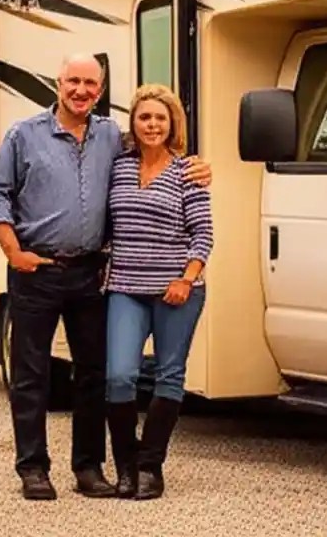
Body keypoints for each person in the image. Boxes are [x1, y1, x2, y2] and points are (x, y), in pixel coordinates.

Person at [0, 53, 212, 501]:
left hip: (90, 274)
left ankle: (88, 467)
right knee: (31, 374)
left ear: (100, 91)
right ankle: (33, 469)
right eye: (73, 81)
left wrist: (201, 166)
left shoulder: (111, 137)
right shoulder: (23, 135)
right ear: (57, 83)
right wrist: (14, 252)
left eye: (90, 83)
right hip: (37, 271)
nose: (81, 90)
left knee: (93, 374)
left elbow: (159, 148)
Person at [103, 84, 213, 500]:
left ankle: (150, 467)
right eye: (145, 117)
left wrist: (186, 278)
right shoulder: (119, 167)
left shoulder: (188, 172)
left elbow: (203, 233)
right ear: (133, 122)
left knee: (170, 374)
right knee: (119, 375)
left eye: (160, 119)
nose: (152, 125)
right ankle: (126, 466)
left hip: (177, 290)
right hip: (126, 287)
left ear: (172, 125)